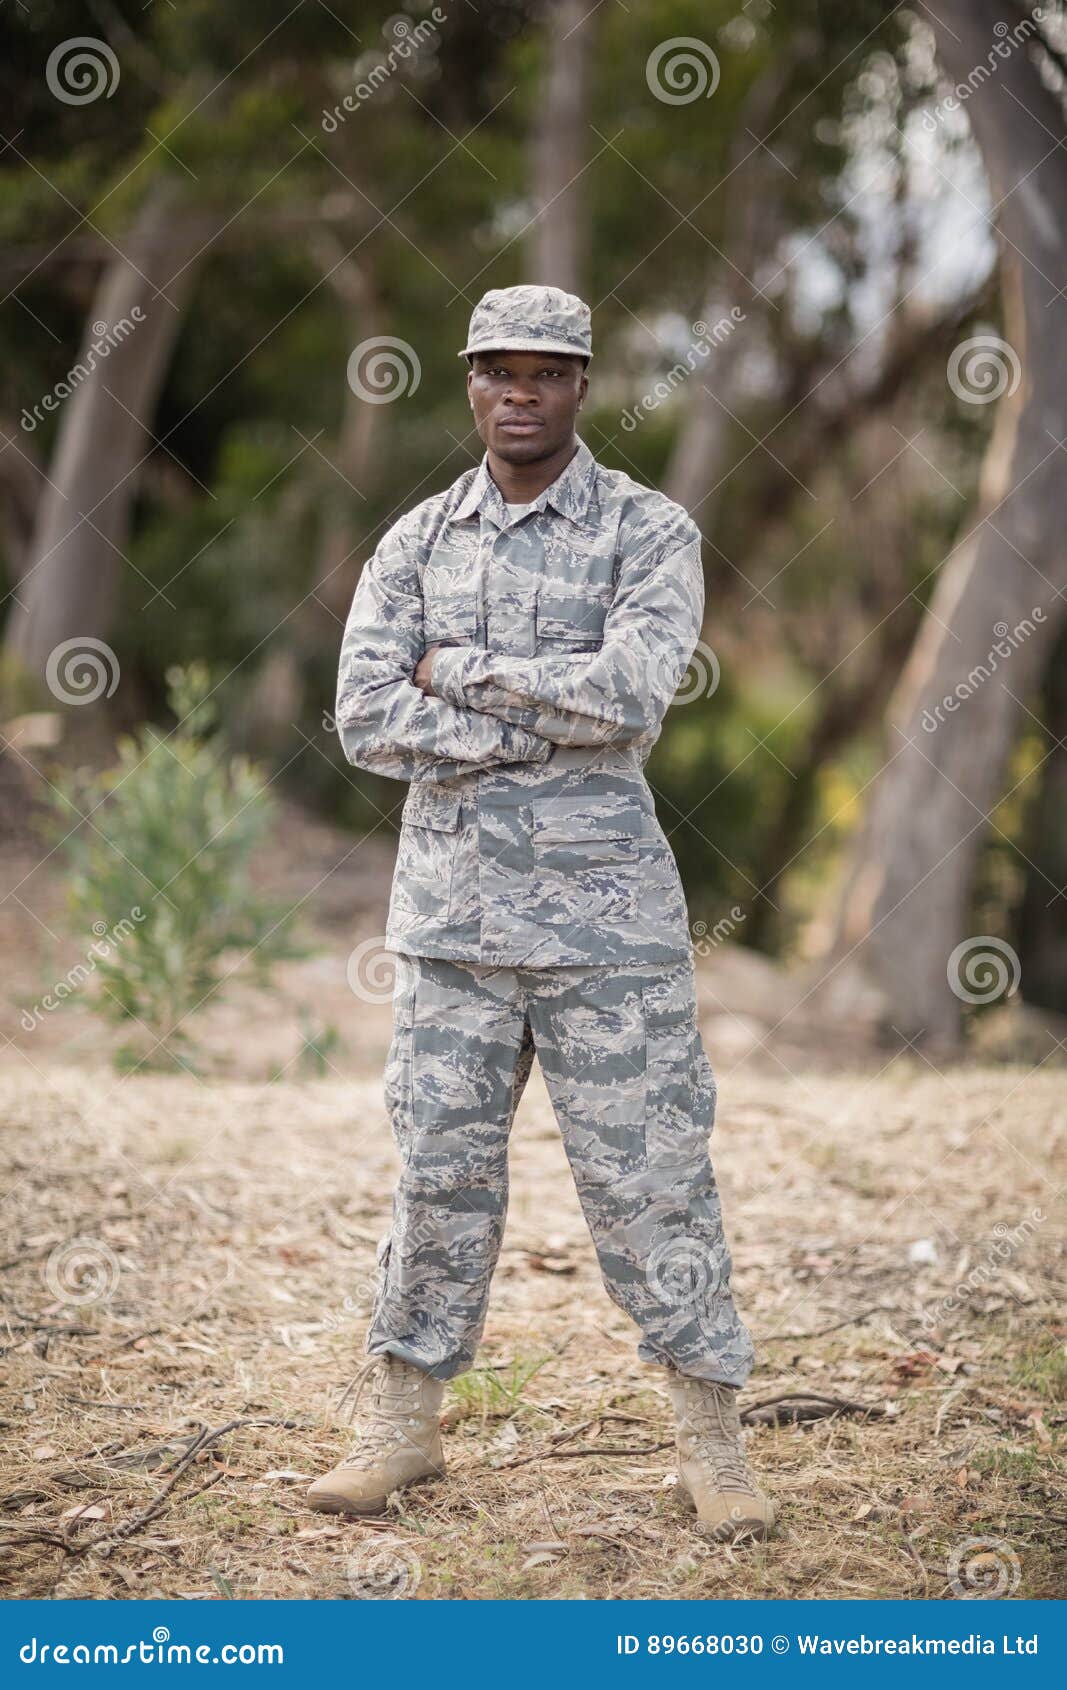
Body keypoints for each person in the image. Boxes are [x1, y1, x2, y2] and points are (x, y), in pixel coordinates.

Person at [308, 284, 774, 1542]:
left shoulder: (646, 529)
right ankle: (400, 1432)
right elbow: (362, 716)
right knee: (435, 1180)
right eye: (497, 371)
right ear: (468, 384)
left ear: (580, 386)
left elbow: (626, 697)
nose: (520, 392)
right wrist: (538, 720)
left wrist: (454, 675)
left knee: (653, 1179)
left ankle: (710, 1445)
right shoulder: (414, 543)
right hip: (452, 929)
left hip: (603, 932)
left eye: (547, 371)